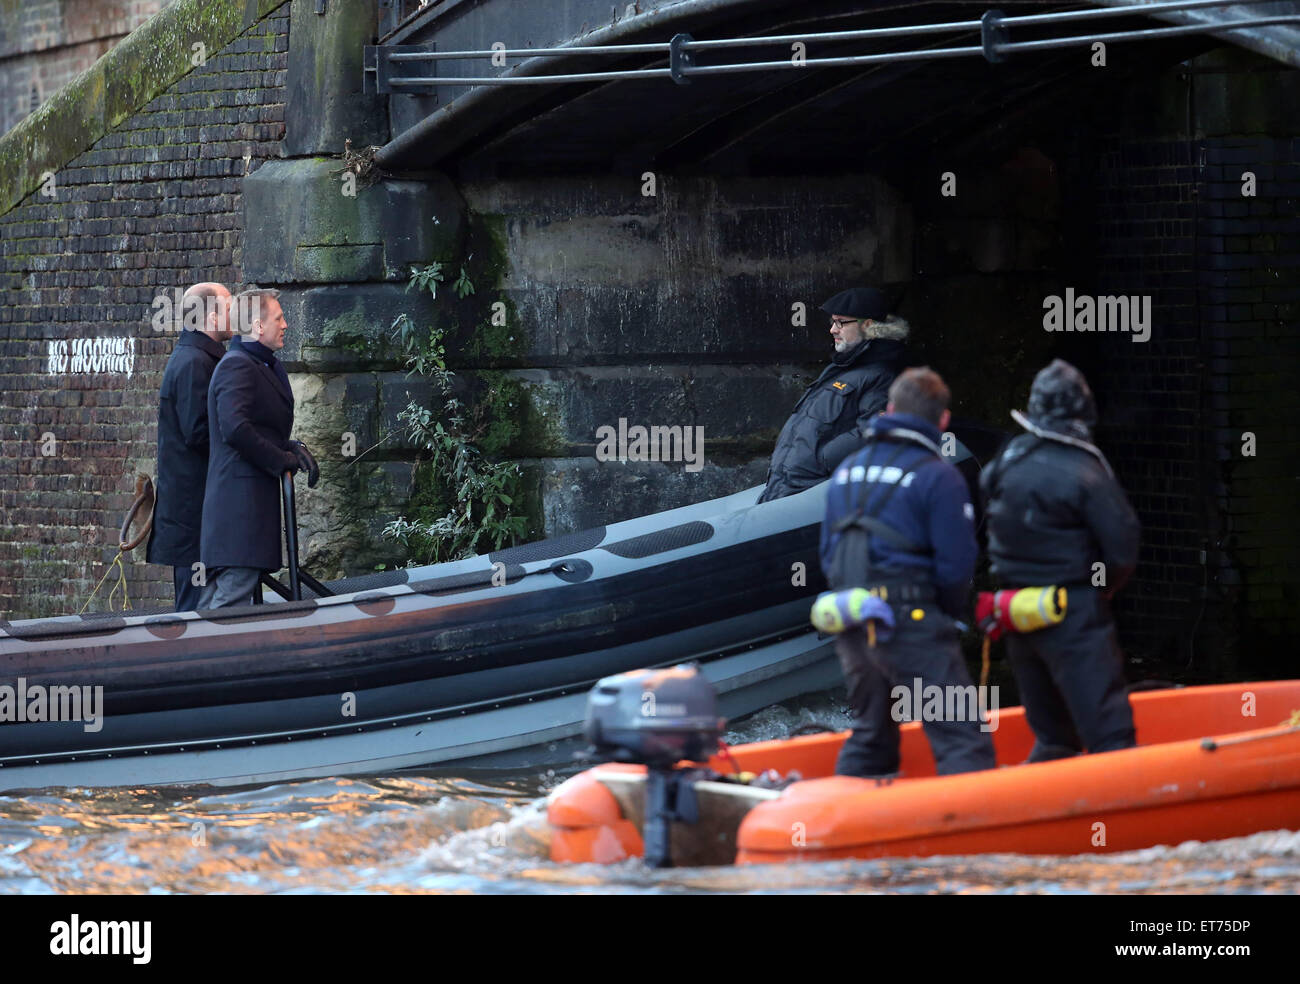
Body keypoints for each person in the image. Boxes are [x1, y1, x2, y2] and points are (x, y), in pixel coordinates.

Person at [819, 367, 995, 777]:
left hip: (851, 617)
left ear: (891, 409)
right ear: (944, 421)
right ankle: (971, 837)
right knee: (962, 739)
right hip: (908, 621)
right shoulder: (938, 476)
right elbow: (956, 564)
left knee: (870, 738)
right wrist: (945, 617)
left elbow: (828, 551)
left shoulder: (848, 470)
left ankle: (845, 829)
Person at [980, 359, 1140, 761]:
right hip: (1073, 611)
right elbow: (1122, 547)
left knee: (1053, 736)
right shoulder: (1086, 467)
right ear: (1082, 412)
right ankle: (1129, 814)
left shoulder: (1007, 458)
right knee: (1110, 733)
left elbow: (989, 511)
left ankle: (1042, 814)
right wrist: (1100, 593)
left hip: (1016, 609)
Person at [198, 288, 316, 609]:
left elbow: (259, 427)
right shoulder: (237, 365)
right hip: (238, 517)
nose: (286, 324)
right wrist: (282, 460)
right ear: (258, 327)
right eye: (279, 318)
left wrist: (291, 447)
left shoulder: (263, 364)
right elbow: (235, 429)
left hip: (248, 517)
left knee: (228, 609)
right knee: (227, 611)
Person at [759, 287, 909, 502]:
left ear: (867, 325)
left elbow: (875, 433)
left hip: (812, 495)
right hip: (787, 490)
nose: (832, 330)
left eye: (840, 322)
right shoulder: (841, 369)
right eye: (832, 322)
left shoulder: (882, 375)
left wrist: (818, 461)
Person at [146, 282, 233, 611]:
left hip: (197, 516)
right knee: (194, 616)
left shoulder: (197, 358)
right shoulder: (195, 363)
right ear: (211, 317)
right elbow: (199, 433)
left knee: (199, 611)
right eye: (229, 307)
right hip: (194, 519)